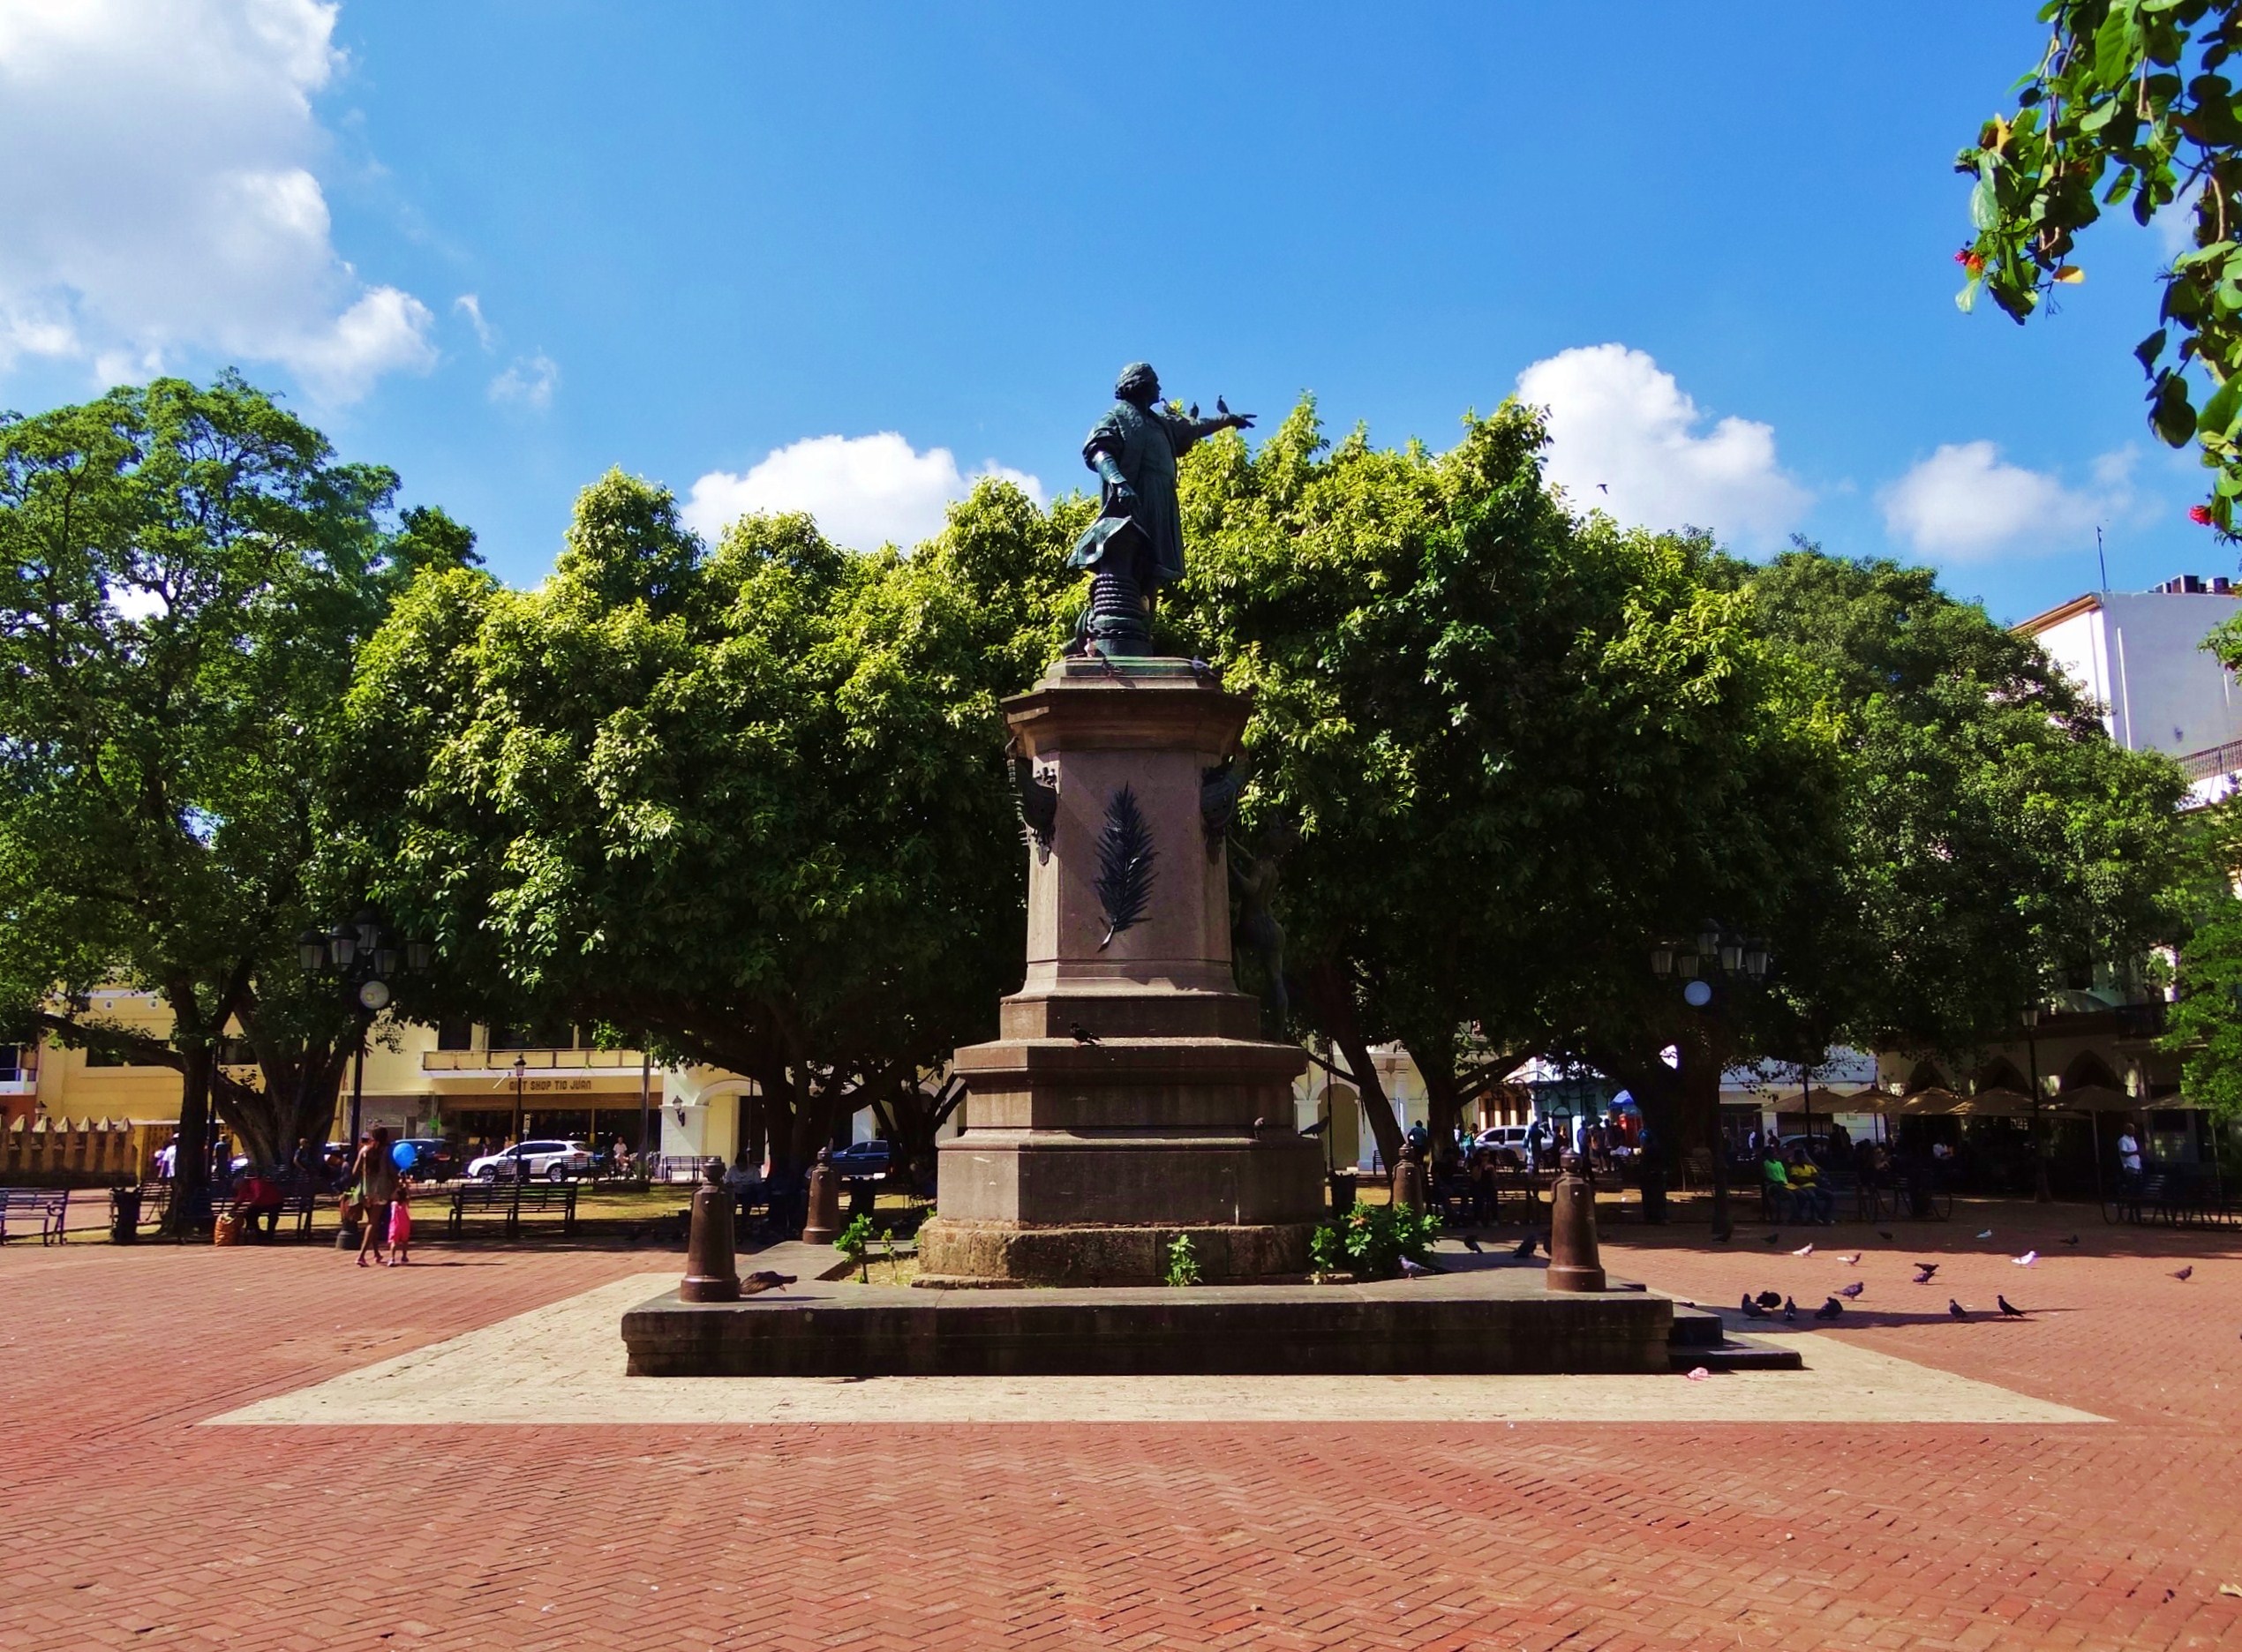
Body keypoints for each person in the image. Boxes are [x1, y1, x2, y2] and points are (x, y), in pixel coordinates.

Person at [353, 1127, 398, 1267]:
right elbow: (391, 1172)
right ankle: (361, 1255)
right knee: (373, 1222)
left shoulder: (364, 1150)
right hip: (380, 1190)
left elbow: (354, 1171)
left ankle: (377, 1253)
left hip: (365, 1190)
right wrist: (397, 1187)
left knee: (372, 1223)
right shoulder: (386, 1152)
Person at [1787, 1148, 1832, 1223]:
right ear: (1796, 1158)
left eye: (1802, 1157)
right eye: (1799, 1157)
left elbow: (1817, 1178)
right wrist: (1811, 1178)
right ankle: (1821, 1217)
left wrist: (1806, 1178)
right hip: (1803, 1187)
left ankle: (1823, 1215)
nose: (1801, 1159)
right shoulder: (1794, 1168)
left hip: (1814, 1186)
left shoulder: (1810, 1167)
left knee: (1831, 1196)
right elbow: (1798, 1181)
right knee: (1812, 1196)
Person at [1761, 1144, 1793, 1220]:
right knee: (1791, 1195)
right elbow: (1764, 1177)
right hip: (1772, 1185)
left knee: (1802, 1194)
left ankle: (1794, 1215)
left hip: (1784, 1184)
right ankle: (1795, 1217)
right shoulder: (1765, 1163)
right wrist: (1776, 1182)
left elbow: (1785, 1174)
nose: (1774, 1154)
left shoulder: (1779, 1163)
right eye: (1772, 1152)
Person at [386, 1178, 413, 1266]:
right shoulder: (405, 1203)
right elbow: (409, 1196)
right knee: (405, 1241)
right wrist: (406, 1186)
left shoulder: (393, 1203)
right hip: (405, 1225)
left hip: (395, 1225)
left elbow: (391, 1195)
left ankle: (392, 1258)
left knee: (394, 1242)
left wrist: (397, 1185)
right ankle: (404, 1256)